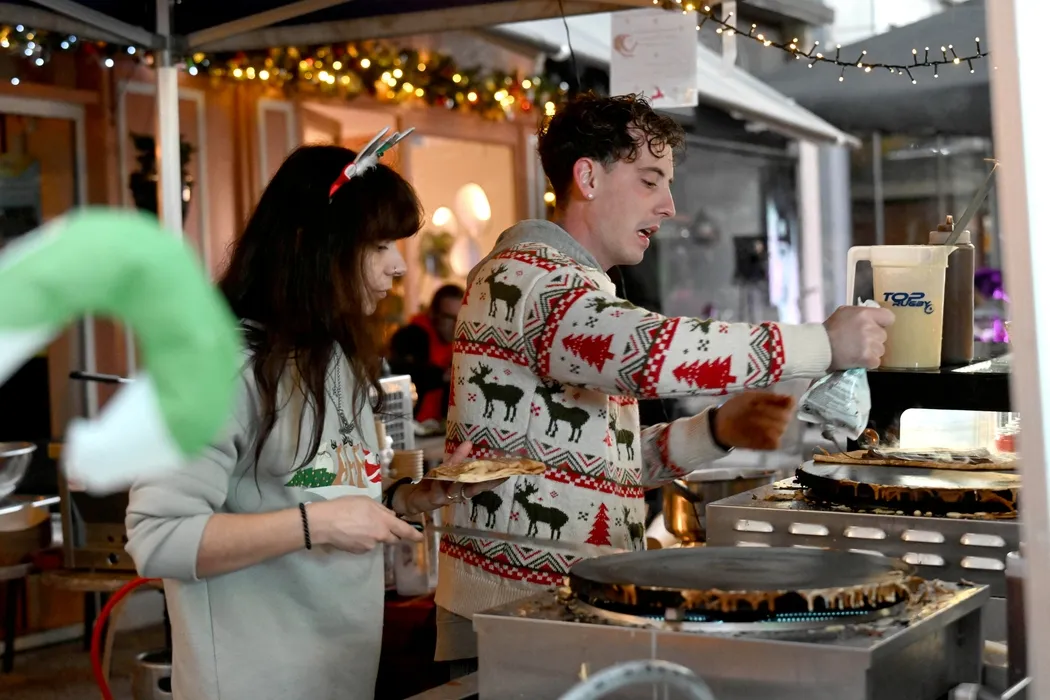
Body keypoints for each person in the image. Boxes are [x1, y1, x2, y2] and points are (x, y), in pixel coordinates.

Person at [434, 92, 894, 667]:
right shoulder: (532, 279)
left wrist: (718, 428)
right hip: (512, 616)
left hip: (559, 606)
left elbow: (611, 463)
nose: (670, 205)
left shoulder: (575, 287)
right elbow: (650, 352)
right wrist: (822, 344)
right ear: (588, 177)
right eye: (650, 181)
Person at [124, 142, 495, 700]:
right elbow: (156, 538)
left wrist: (407, 496)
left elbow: (323, 489)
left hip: (339, 671)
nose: (398, 265)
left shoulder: (334, 357)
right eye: (378, 246)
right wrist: (314, 526)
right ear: (311, 248)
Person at [388, 283, 464, 424]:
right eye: (449, 317)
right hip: (411, 425)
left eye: (460, 318)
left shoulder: (460, 345)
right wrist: (442, 375)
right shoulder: (410, 336)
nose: (456, 325)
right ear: (433, 314)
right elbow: (400, 374)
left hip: (441, 428)